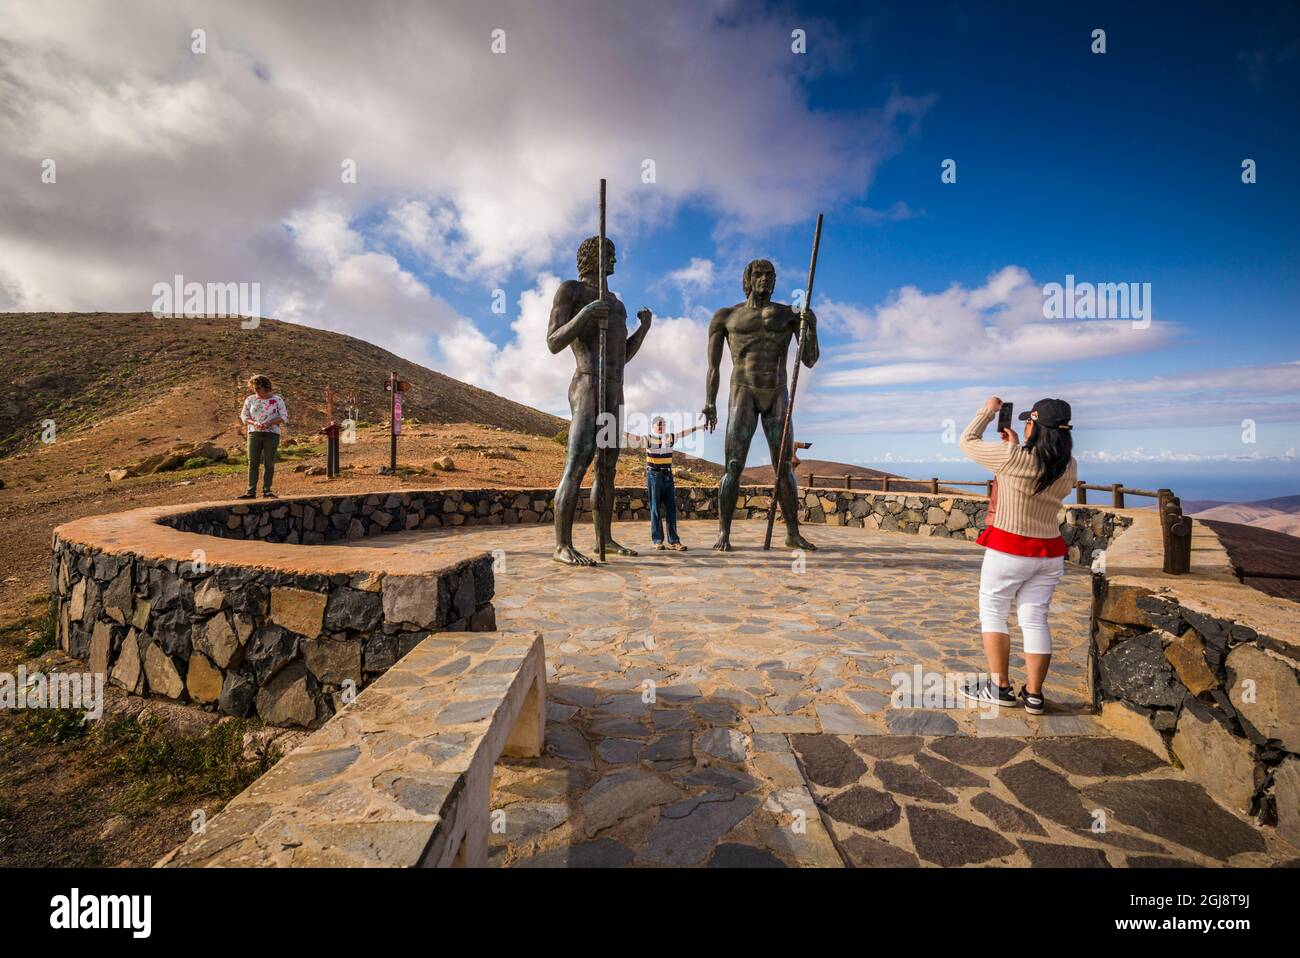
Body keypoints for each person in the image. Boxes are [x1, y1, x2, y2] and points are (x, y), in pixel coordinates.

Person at [957, 396, 1076, 715]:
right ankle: (1034, 695)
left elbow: (967, 441)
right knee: (1035, 619)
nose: (1024, 426)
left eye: (1028, 422)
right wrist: (1016, 446)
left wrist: (989, 410)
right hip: (1049, 552)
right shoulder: (1069, 466)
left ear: (1035, 426)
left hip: (1009, 549)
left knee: (993, 611)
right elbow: (1035, 470)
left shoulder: (1012, 457)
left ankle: (1000, 687)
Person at [547, 234, 654, 565]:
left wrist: (643, 330)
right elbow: (553, 341)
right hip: (587, 385)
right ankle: (562, 545)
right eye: (608, 253)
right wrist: (587, 314)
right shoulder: (572, 291)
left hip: (613, 389)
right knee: (578, 462)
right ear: (591, 256)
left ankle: (603, 538)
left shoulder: (618, 305)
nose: (614, 260)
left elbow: (622, 356)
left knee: (607, 467)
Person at [703, 258, 819, 551]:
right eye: (758, 274)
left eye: (769, 274)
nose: (764, 278)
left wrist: (811, 326)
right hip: (742, 392)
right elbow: (714, 368)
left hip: (777, 393)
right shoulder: (726, 317)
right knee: (733, 466)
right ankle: (724, 534)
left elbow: (809, 359)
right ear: (748, 279)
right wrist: (709, 403)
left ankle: (792, 532)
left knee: (783, 468)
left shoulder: (789, 316)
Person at [625, 415, 706, 550]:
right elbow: (634, 438)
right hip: (654, 476)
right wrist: (619, 431)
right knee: (655, 509)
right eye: (659, 424)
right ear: (653, 426)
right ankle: (657, 540)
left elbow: (684, 433)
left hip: (667, 476)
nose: (661, 426)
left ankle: (674, 541)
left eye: (663, 424)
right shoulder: (649, 439)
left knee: (671, 509)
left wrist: (698, 428)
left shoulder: (670, 438)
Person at [238, 375, 288, 499]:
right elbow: (244, 416)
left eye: (258, 388)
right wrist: (254, 423)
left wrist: (269, 423)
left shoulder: (277, 400)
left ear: (266, 387)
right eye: (254, 389)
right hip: (254, 433)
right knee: (252, 462)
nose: (256, 391)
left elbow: (284, 417)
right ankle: (250, 491)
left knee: (269, 462)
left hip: (272, 434)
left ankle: (267, 490)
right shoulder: (250, 400)